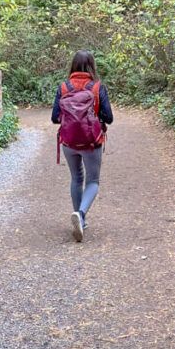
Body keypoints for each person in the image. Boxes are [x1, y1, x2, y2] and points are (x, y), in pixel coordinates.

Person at [51, 50, 113, 242]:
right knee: (93, 181)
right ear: (92, 66)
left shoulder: (63, 87)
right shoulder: (97, 87)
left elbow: (54, 118)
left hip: (69, 141)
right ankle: (81, 214)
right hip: (91, 141)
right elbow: (109, 117)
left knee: (76, 178)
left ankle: (80, 220)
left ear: (73, 66)